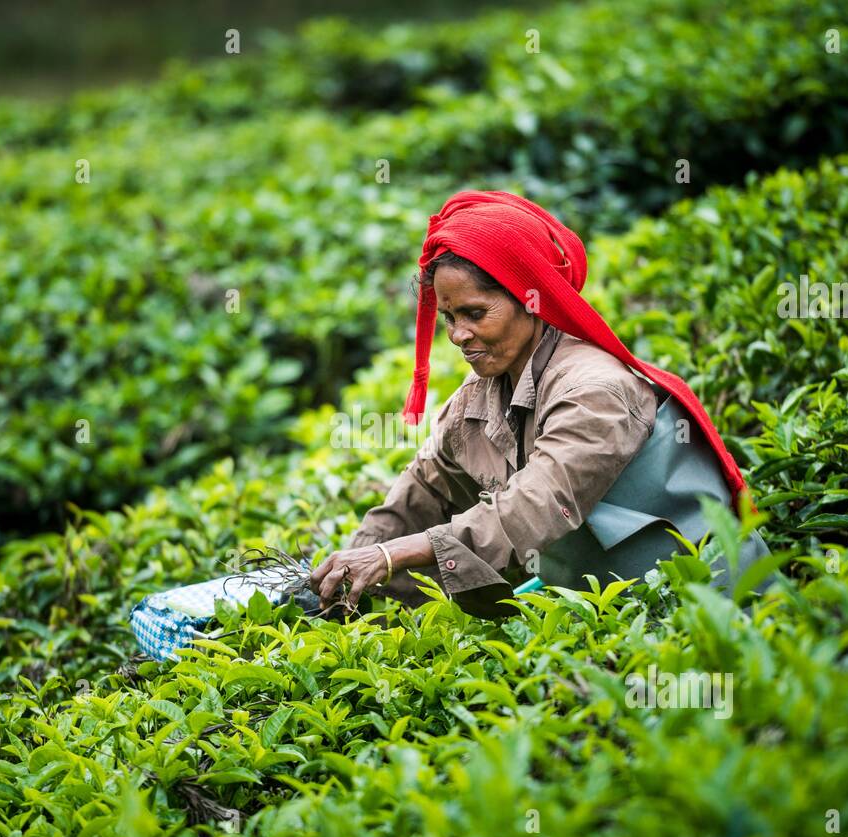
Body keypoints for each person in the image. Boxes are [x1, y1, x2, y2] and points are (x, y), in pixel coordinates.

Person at [310, 190, 768, 617]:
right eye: (449, 317)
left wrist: (393, 556)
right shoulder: (478, 396)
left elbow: (539, 503)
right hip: (615, 615)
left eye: (475, 313)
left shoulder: (594, 390)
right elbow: (425, 491)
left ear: (531, 299)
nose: (458, 335)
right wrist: (346, 573)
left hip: (715, 609)